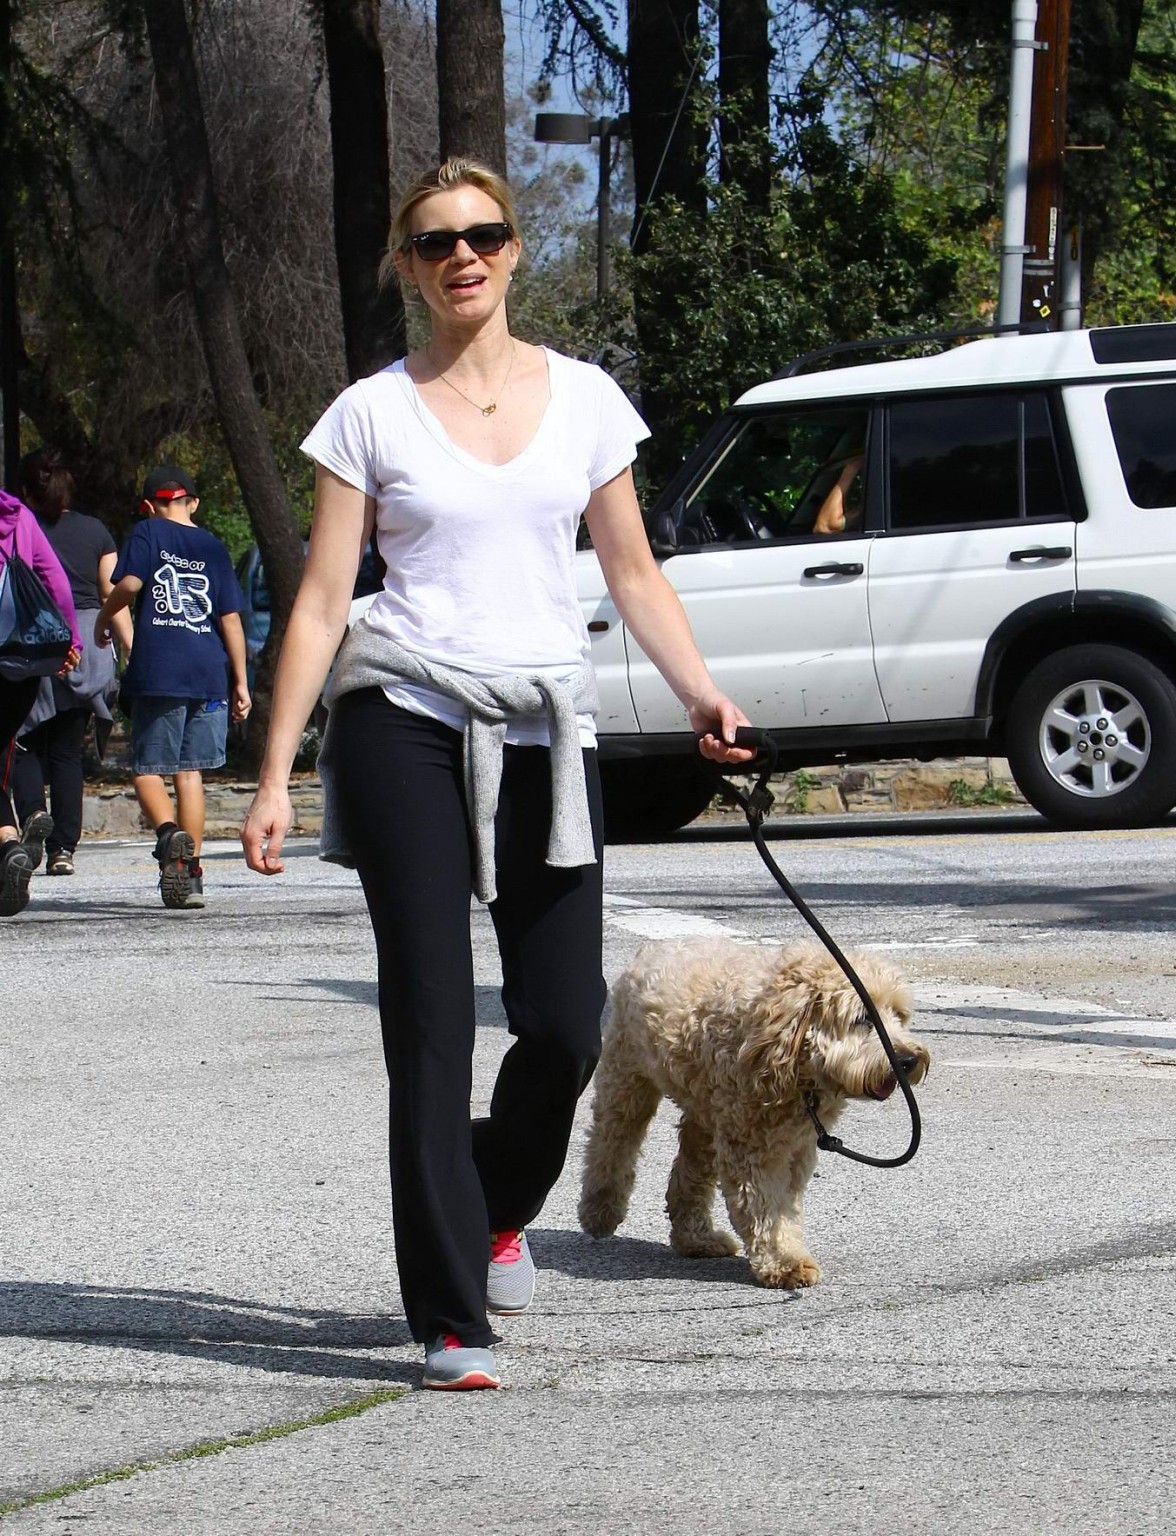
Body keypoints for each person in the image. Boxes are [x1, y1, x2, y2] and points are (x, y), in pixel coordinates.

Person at [240, 158, 754, 1393]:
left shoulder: (584, 400)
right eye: (432, 242)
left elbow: (632, 574)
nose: (461, 254)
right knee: (426, 1026)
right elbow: (322, 601)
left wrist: (701, 693)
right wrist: (274, 774)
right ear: (407, 269)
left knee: (567, 1026)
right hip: (406, 720)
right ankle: (451, 1319)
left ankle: (485, 1200)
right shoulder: (368, 412)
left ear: (515, 250)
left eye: (482, 233)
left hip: (543, 732)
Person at [94, 465, 251, 910]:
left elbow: (129, 584)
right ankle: (191, 874)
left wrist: (106, 618)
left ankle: (168, 838)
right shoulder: (213, 546)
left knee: (147, 769)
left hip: (160, 668)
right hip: (208, 671)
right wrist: (240, 681)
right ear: (194, 503)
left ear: (148, 506)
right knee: (190, 772)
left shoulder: (147, 531)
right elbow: (230, 619)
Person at [11, 448, 133, 877]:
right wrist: (129, 646)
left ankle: (29, 817)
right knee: (67, 752)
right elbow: (111, 593)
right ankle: (64, 848)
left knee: (20, 740)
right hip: (87, 641)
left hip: (32, 639)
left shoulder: (17, 527)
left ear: (25, 489)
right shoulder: (95, 530)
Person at [0, 487, 82, 917]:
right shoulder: (18, 517)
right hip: (20, 658)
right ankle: (11, 841)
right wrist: (70, 638)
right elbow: (54, 579)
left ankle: (8, 843)